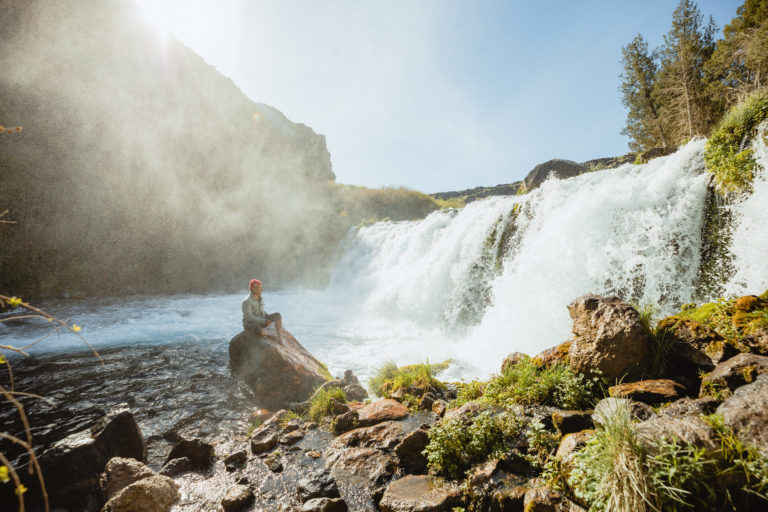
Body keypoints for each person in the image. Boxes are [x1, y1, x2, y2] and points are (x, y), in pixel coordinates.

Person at [242, 279, 283, 343]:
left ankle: (280, 339)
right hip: (250, 323)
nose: (261, 289)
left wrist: (268, 318)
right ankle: (270, 336)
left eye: (261, 287)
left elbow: (262, 311)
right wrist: (264, 321)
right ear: (253, 288)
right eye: (259, 287)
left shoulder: (261, 298)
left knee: (277, 315)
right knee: (261, 331)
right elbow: (249, 317)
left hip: (261, 319)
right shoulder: (247, 301)